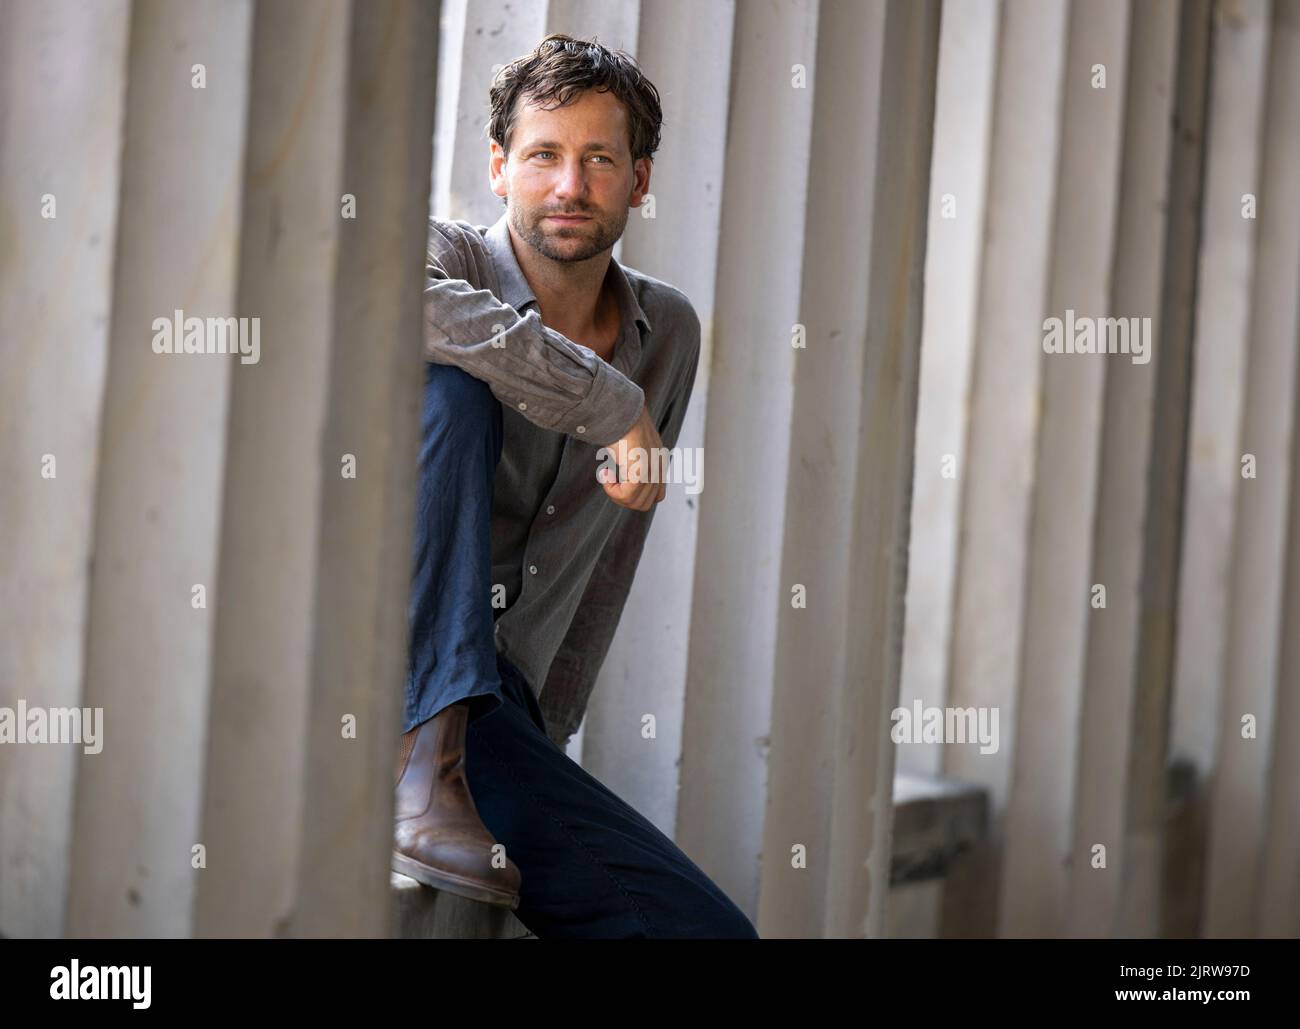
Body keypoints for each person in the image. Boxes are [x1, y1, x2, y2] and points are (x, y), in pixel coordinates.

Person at [392, 33, 758, 939]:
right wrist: (605, 401)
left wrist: (543, 749)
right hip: (371, 666)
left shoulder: (662, 327)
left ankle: (448, 767)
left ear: (639, 179)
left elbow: (607, 561)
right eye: (544, 155)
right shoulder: (445, 258)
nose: (570, 186)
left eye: (600, 159)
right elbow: (402, 297)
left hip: (498, 717)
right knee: (450, 385)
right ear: (498, 167)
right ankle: (419, 756)